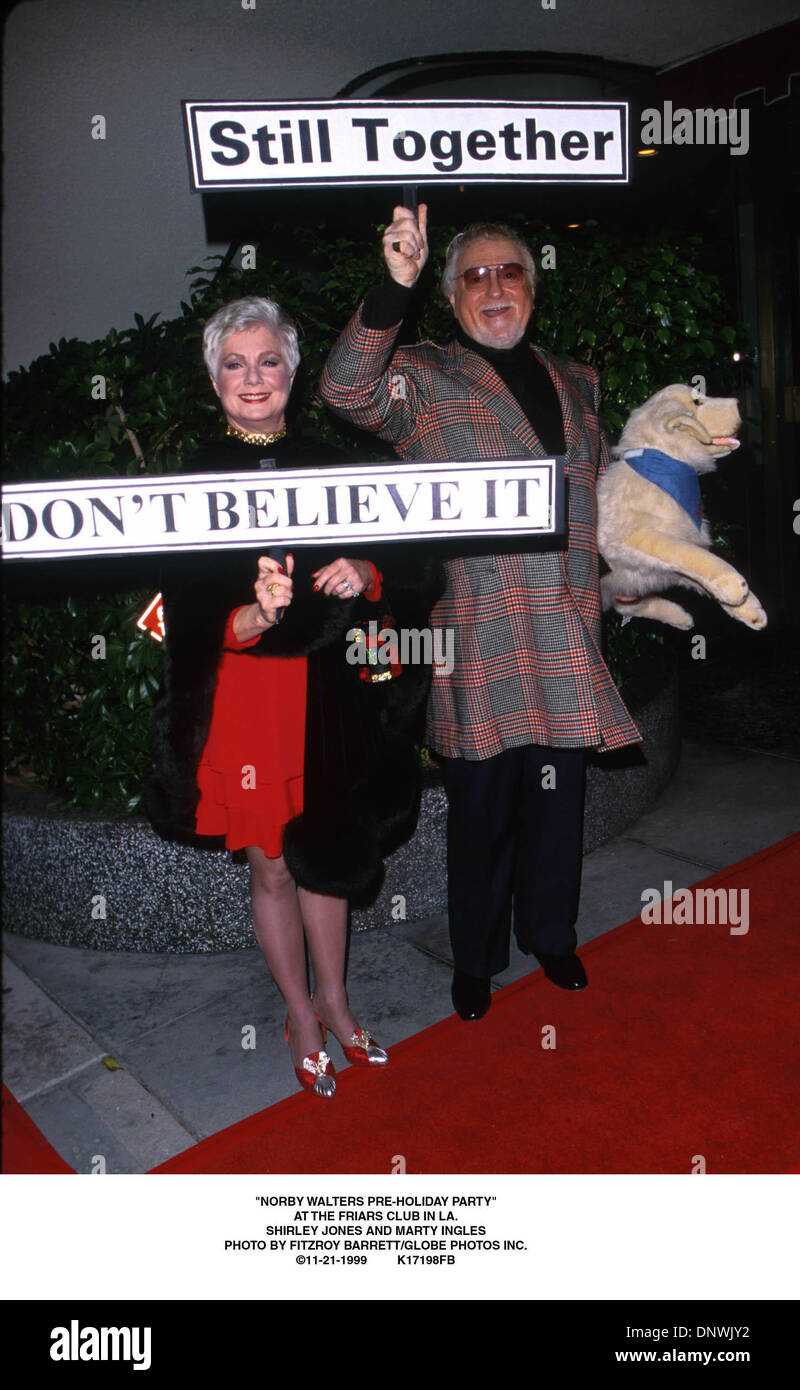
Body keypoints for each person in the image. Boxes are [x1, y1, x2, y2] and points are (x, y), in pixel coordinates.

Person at [321, 207, 642, 1022]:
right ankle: (475, 961)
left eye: (510, 273)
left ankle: (552, 935)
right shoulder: (424, 378)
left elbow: (601, 498)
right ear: (451, 293)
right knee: (483, 816)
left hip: (567, 632)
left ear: (531, 287)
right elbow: (344, 389)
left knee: (555, 805)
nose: (494, 288)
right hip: (482, 637)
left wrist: (630, 568)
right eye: (474, 275)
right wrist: (393, 286)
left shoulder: (579, 381)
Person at [145, 296, 442, 1094]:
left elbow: (414, 565)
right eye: (235, 363)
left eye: (268, 359)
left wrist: (366, 572)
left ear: (293, 371)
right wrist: (251, 612)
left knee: (326, 857)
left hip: (329, 700)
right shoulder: (192, 479)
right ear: (213, 378)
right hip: (246, 703)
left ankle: (338, 1003)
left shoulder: (334, 461)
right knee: (273, 868)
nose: (253, 377)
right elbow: (181, 610)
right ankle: (298, 1012)